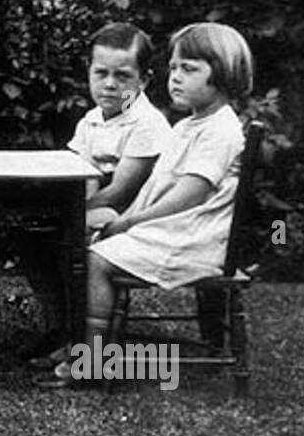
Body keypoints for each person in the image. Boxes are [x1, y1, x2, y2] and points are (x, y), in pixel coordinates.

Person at [43, 22, 254, 388]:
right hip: (177, 228)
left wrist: (132, 222)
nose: (175, 78)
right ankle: (81, 342)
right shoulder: (193, 124)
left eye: (189, 69)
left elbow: (192, 193)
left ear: (222, 75)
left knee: (96, 260)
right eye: (173, 68)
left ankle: (93, 360)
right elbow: (161, 187)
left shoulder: (220, 130)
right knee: (85, 242)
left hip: (192, 238)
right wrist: (125, 219)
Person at [22, 23, 172, 371]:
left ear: (143, 80)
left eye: (122, 76)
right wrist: (69, 207)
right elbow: (81, 177)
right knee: (32, 238)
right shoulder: (91, 121)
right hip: (101, 211)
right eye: (100, 73)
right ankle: (61, 328)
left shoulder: (147, 124)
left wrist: (72, 215)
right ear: (88, 73)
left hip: (135, 218)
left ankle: (82, 340)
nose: (109, 84)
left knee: (66, 238)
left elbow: (122, 191)